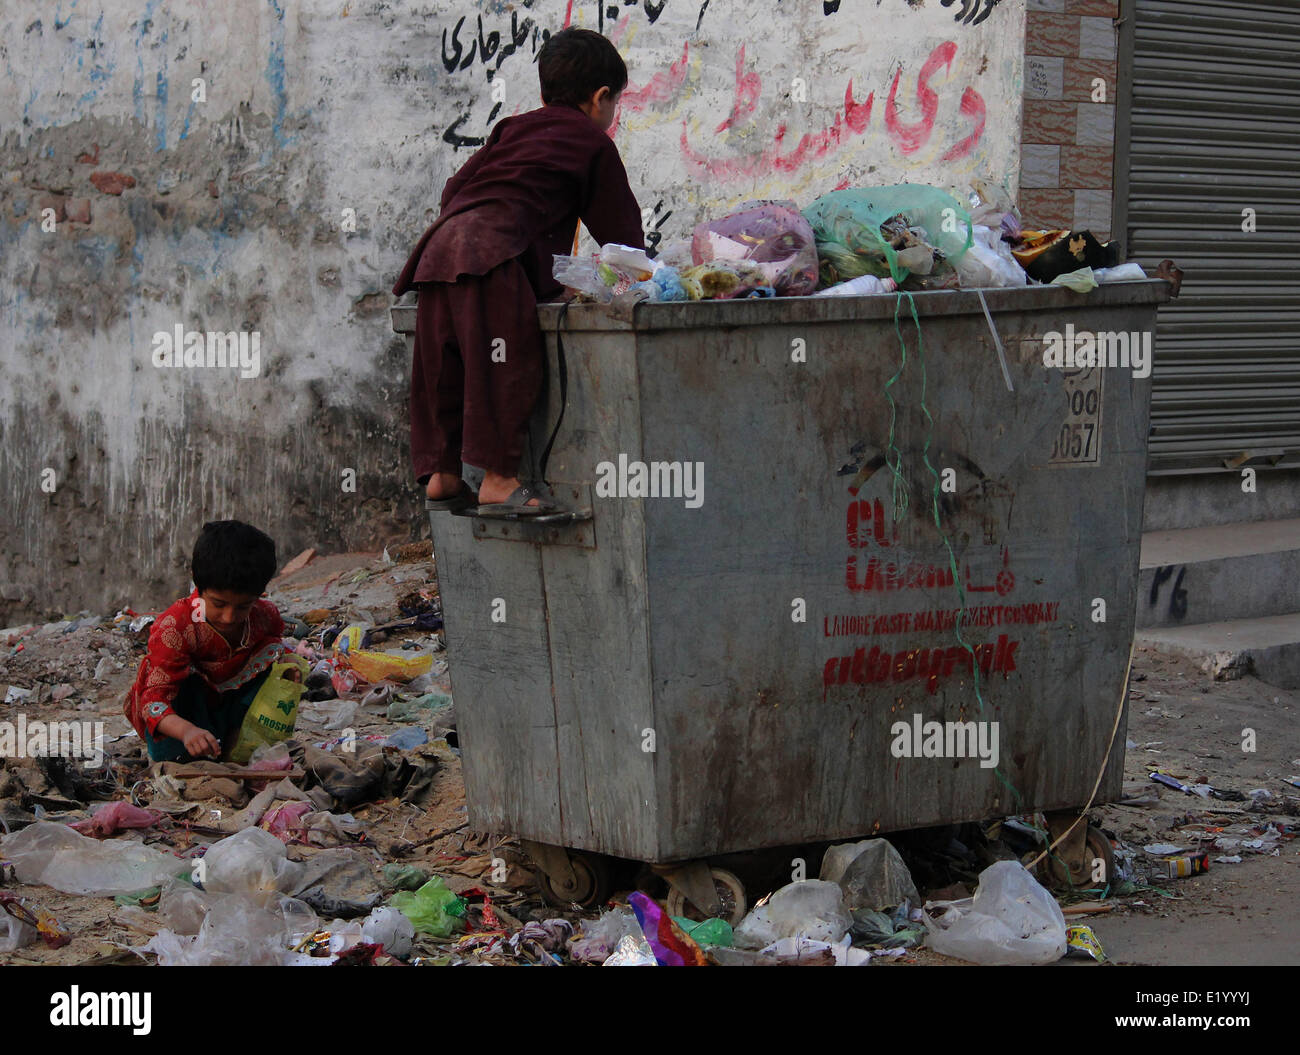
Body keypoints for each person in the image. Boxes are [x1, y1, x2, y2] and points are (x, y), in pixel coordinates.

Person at [392, 26, 645, 517]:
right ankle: (499, 481)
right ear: (601, 98)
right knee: (504, 365)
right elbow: (622, 236)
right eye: (614, 105)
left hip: (439, 252)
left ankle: (442, 476)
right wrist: (642, 273)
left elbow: (454, 189)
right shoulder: (591, 144)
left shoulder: (511, 128)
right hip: (492, 258)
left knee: (442, 365)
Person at [123, 520, 286, 761]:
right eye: (218, 604)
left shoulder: (264, 616)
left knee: (278, 663)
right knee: (176, 757)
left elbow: (277, 657)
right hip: (184, 717)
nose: (229, 617)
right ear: (197, 584)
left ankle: (235, 738)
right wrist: (187, 731)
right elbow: (154, 701)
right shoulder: (176, 626)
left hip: (230, 706)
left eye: (243, 606)